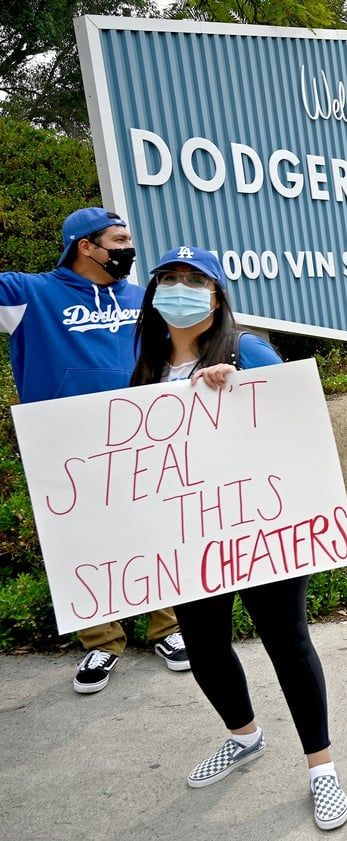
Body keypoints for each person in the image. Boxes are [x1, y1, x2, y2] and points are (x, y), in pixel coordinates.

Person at [130, 246, 347, 831]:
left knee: (286, 641)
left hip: (259, 530)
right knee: (203, 645)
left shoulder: (245, 349)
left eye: (193, 281)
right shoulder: (147, 360)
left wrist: (244, 386)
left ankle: (321, 768)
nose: (179, 290)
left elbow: (299, 421)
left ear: (218, 294)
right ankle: (244, 736)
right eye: (169, 280)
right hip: (189, 535)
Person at [0, 207, 188, 694]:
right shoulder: (29, 293)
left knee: (155, 528)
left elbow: (179, 352)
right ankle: (102, 641)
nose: (129, 248)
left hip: (140, 432)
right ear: (86, 245)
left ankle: (167, 629)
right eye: (120, 239)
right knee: (81, 541)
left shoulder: (141, 299)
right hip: (65, 441)